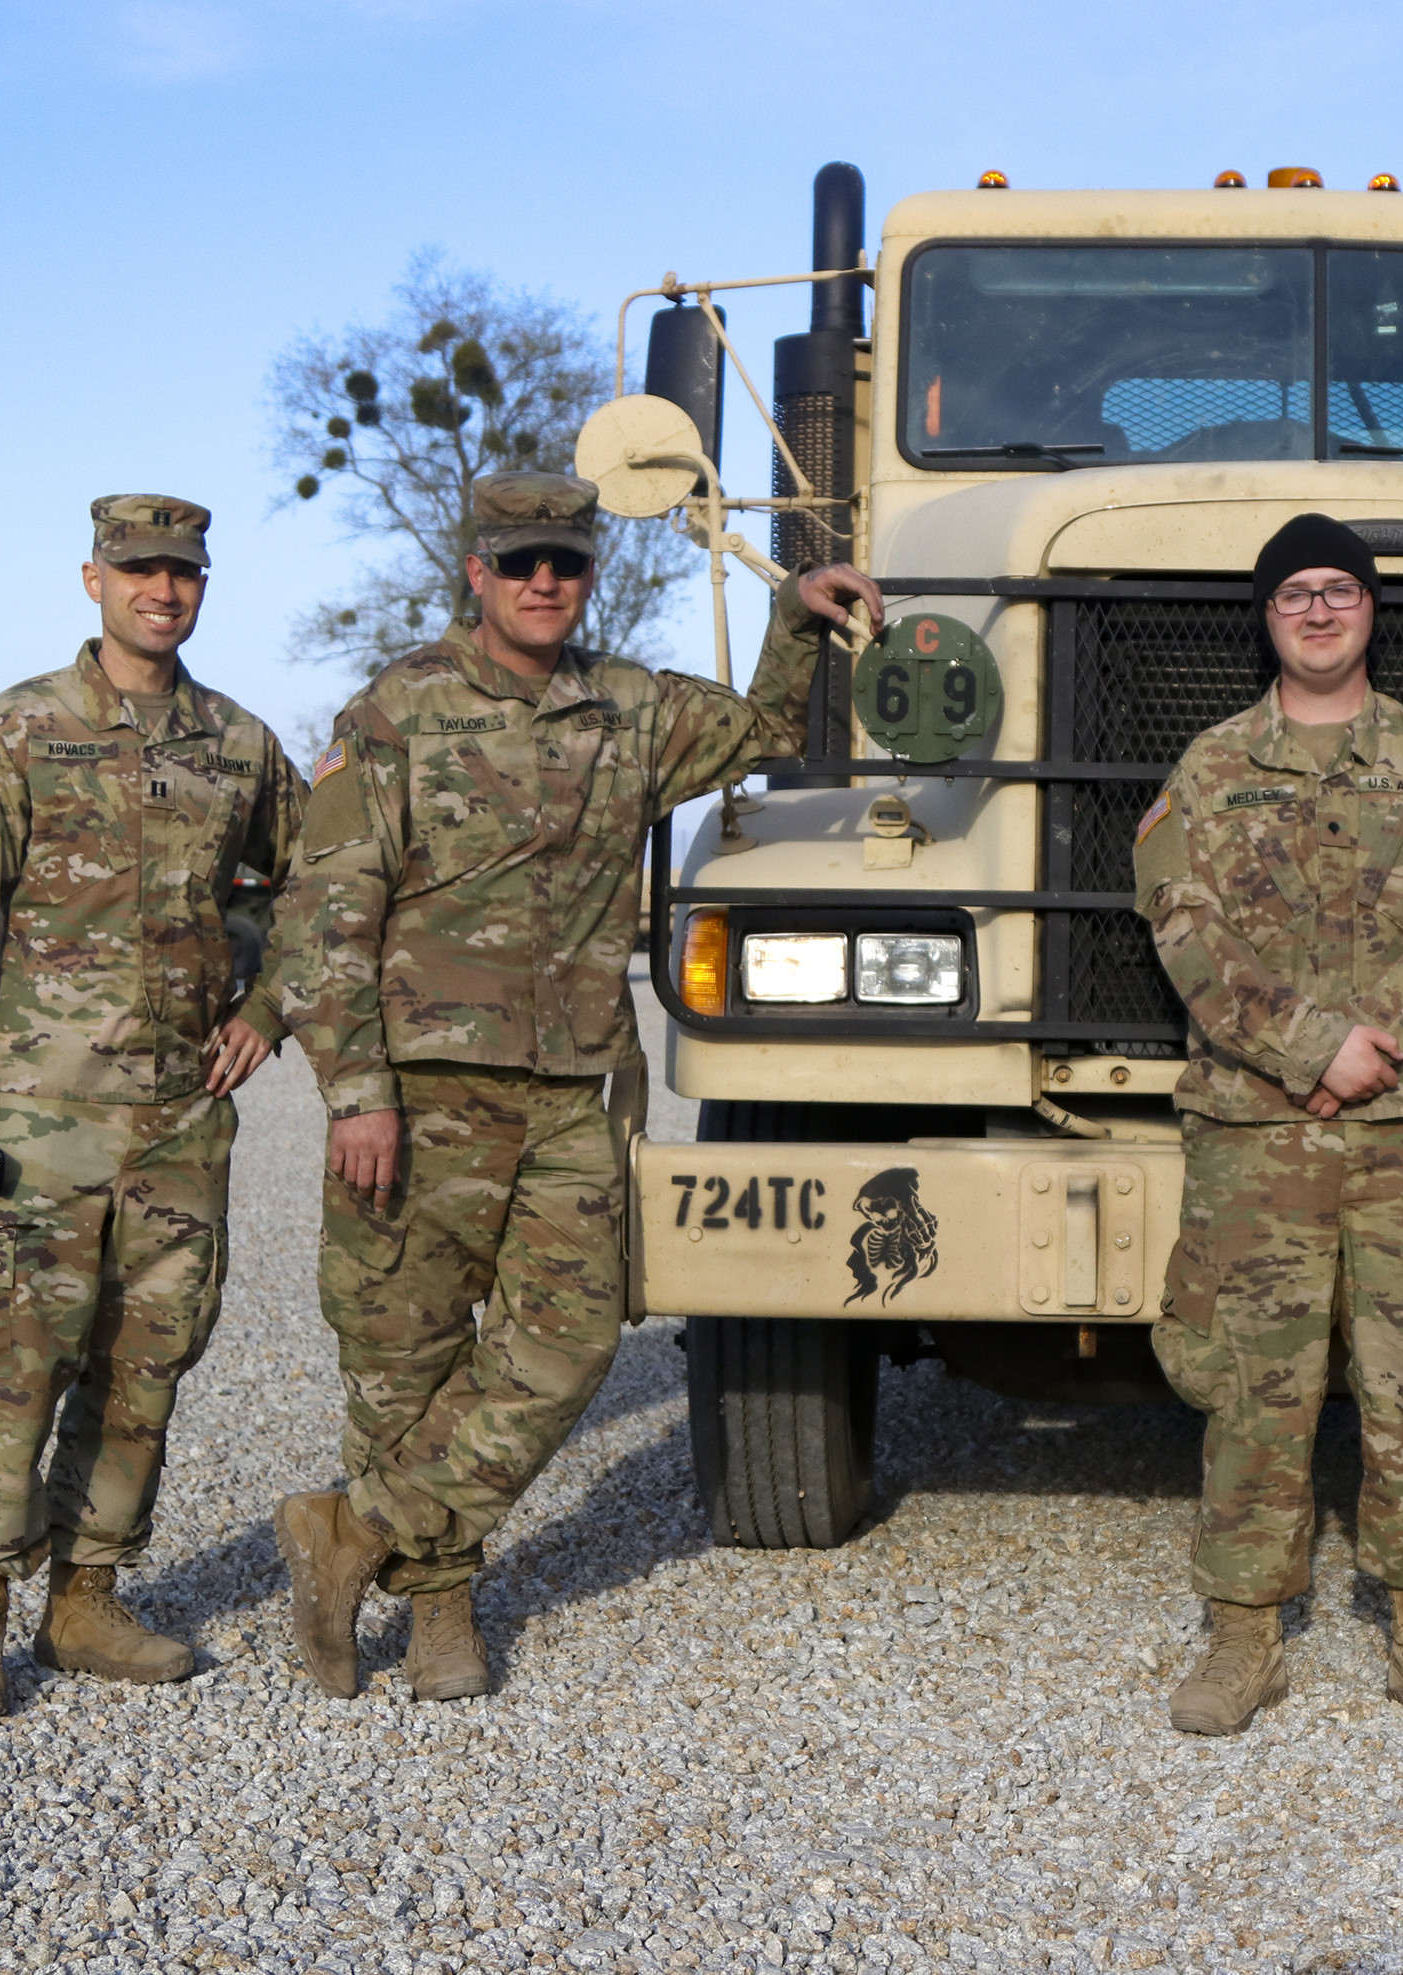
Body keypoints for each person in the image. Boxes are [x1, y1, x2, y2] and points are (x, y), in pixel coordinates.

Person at [269, 471, 881, 1702]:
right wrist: (355, 1092)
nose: (544, 581)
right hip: (424, 1084)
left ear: (587, 574)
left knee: (570, 1337)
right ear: (475, 574)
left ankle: (356, 1528)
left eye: (566, 561)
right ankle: (441, 1610)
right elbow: (326, 911)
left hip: (572, 1084)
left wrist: (799, 617)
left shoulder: (631, 708)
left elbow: (763, 726)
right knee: (406, 1352)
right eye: (520, 562)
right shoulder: (400, 710)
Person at [0, 495, 304, 1716]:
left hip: (180, 1117)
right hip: (39, 1107)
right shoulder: (21, 727)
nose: (161, 591)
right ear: (93, 579)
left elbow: (314, 889)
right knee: (17, 1355)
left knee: (147, 1359)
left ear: (200, 587)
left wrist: (263, 1009)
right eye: (139, 571)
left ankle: (86, 1597)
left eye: (182, 573)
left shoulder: (238, 743)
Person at [1131, 513, 1403, 1737]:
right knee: (1255, 1385)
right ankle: (1244, 1638)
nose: (1316, 610)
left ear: (1369, 610)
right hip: (1258, 1128)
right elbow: (1184, 928)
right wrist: (1310, 1046)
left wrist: (1376, 1045)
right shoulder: (1207, 769)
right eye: (1294, 592)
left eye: (1338, 591)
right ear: (1267, 615)